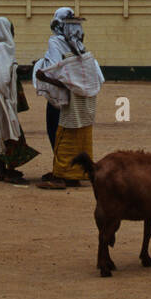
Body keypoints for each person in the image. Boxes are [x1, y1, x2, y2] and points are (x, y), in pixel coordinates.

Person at [35, 13, 104, 190]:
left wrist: (43, 77)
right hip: (85, 104)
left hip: (68, 103)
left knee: (63, 137)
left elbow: (64, 79)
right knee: (80, 138)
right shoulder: (82, 50)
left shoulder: (57, 44)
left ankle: (60, 177)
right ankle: (76, 174)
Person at [0, 17, 39, 183]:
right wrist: (17, 71)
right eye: (11, 29)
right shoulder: (2, 49)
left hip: (1, 96)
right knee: (10, 133)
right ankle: (8, 172)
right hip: (3, 97)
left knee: (4, 131)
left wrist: (18, 69)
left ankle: (3, 171)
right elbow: (3, 78)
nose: (13, 33)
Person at [32, 6, 82, 156]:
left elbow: (55, 71)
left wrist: (43, 74)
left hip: (58, 96)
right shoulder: (78, 42)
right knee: (71, 133)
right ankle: (71, 168)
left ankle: (61, 169)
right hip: (76, 95)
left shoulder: (55, 42)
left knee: (55, 131)